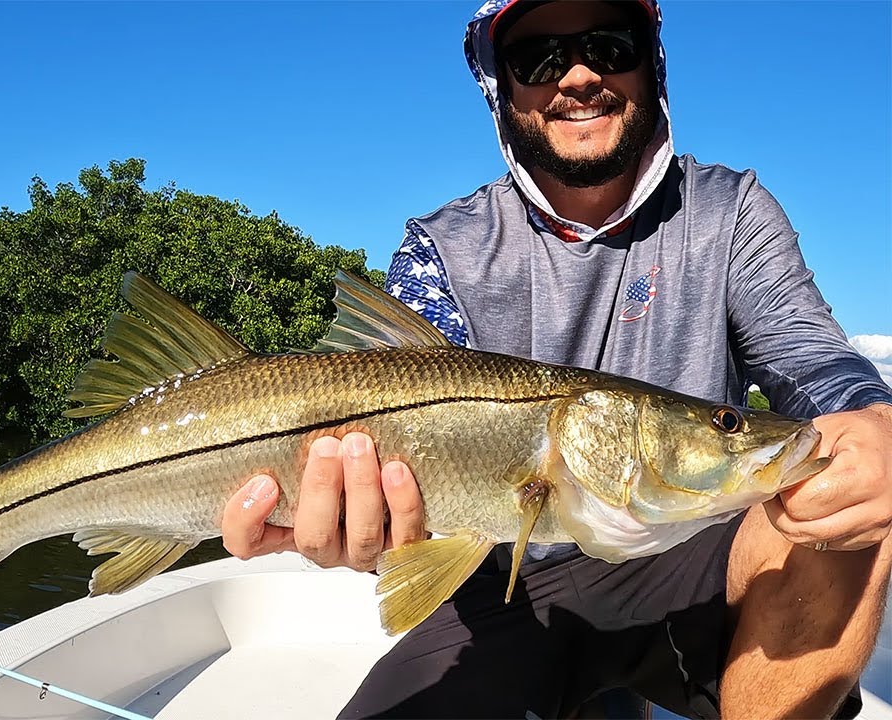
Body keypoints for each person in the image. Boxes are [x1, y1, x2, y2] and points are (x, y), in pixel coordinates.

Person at [219, 1, 892, 718]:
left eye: (609, 45)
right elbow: (403, 422)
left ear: (652, 60)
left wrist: (875, 421)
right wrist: (366, 526)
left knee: (842, 506)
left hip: (690, 557)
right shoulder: (440, 247)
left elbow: (812, 361)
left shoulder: (730, 211)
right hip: (500, 582)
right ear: (499, 83)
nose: (576, 76)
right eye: (536, 56)